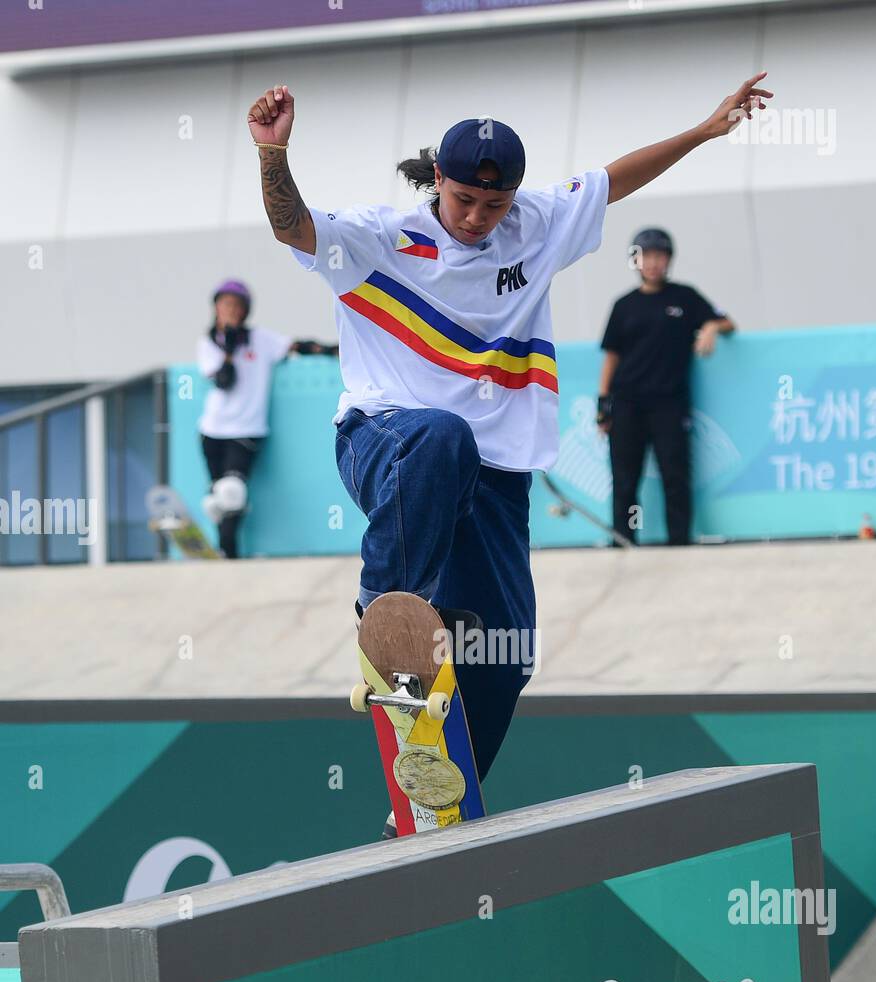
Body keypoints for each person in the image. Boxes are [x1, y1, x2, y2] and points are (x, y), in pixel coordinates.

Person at [248, 72, 772, 831]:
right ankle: (385, 606)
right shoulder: (378, 240)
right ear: (438, 181)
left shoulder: (534, 222)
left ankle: (434, 799)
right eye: (464, 200)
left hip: (492, 485)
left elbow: (612, 180)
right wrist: (273, 155)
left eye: (494, 205)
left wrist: (702, 130)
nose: (478, 218)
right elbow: (291, 225)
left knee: (504, 654)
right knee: (441, 434)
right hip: (386, 447)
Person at [597, 229, 734, 546]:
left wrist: (710, 327)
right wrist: (603, 403)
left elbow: (727, 321)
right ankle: (625, 539)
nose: (653, 263)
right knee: (626, 479)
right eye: (646, 256)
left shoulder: (685, 298)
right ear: (636, 260)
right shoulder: (624, 306)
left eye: (660, 256)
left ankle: (679, 541)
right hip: (628, 403)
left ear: (669, 260)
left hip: (669, 404)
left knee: (675, 476)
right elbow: (611, 357)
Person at [196, 280, 334, 558]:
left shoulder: (261, 339)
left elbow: (296, 346)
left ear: (245, 311)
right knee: (220, 500)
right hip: (212, 431)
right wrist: (230, 348)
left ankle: (227, 553)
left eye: (236, 306)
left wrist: (333, 350)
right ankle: (223, 548)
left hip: (247, 430)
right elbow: (224, 381)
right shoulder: (208, 344)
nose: (230, 310)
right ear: (216, 308)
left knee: (231, 492)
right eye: (225, 305)